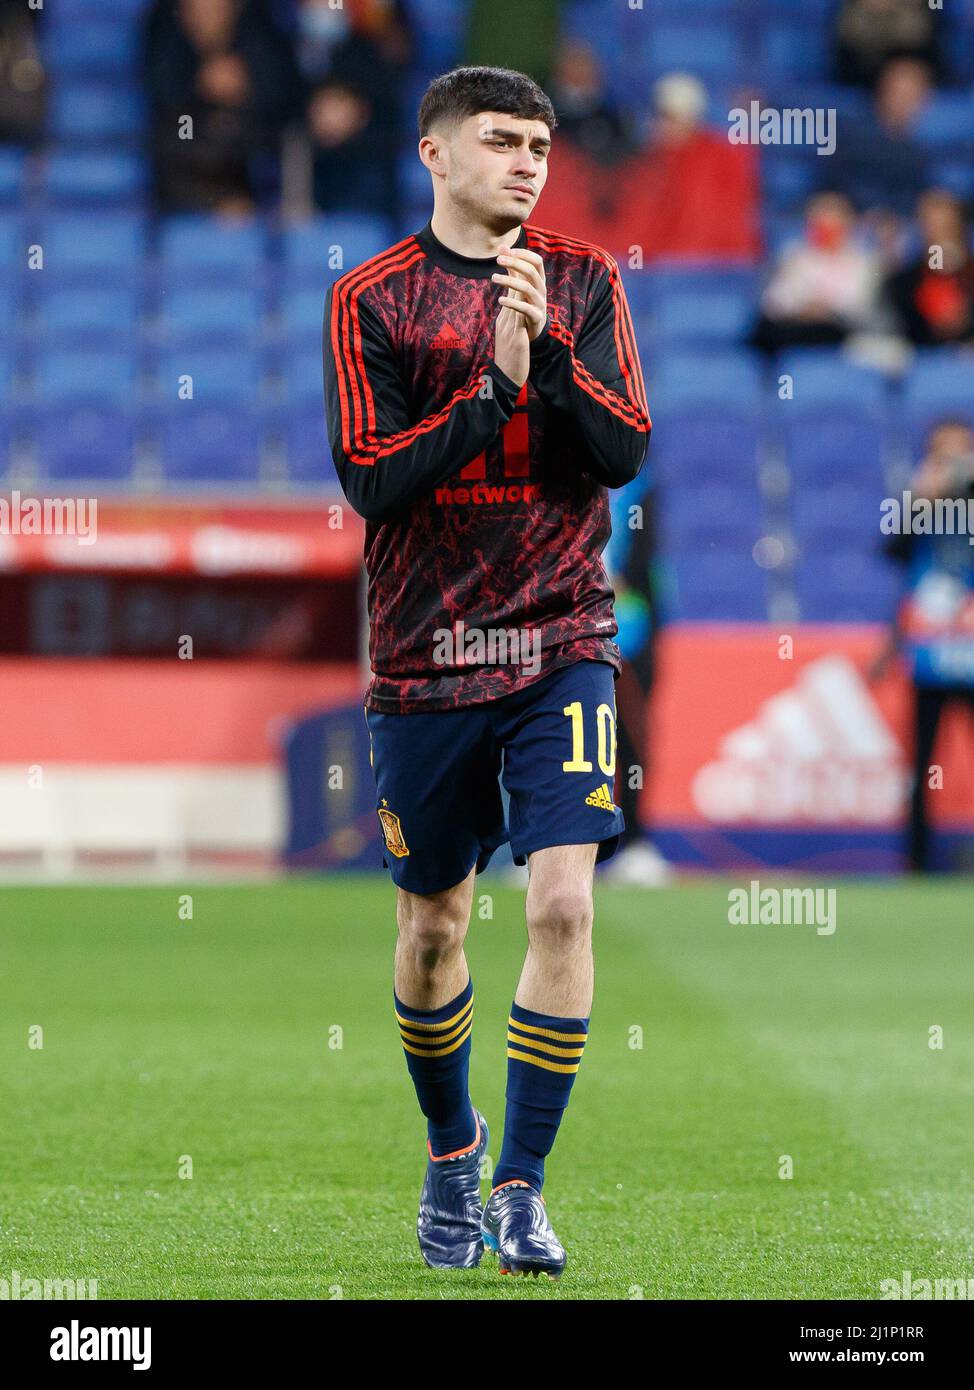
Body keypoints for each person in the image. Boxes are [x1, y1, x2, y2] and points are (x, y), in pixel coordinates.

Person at [322, 65, 650, 1279]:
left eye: (540, 147)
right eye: (502, 142)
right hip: (424, 656)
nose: (526, 164)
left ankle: (520, 1186)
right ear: (435, 154)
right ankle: (451, 1152)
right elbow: (372, 478)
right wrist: (490, 388)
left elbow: (620, 449)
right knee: (432, 928)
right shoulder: (371, 299)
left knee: (563, 900)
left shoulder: (582, 279)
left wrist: (549, 357)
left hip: (559, 639)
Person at [876, 421, 974, 871]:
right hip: (931, 655)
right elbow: (891, 550)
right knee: (922, 761)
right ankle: (915, 860)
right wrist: (920, 498)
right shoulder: (923, 504)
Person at [750, 191, 880, 352]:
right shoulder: (794, 255)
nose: (825, 224)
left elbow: (860, 306)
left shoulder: (864, 262)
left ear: (849, 220)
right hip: (794, 328)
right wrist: (804, 309)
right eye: (818, 217)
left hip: (839, 331)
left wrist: (825, 309)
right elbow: (774, 301)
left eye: (832, 215)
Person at [886, 190, 974, 348]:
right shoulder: (903, 282)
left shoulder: (966, 272)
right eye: (929, 222)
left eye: (945, 223)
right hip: (926, 360)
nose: (937, 229)